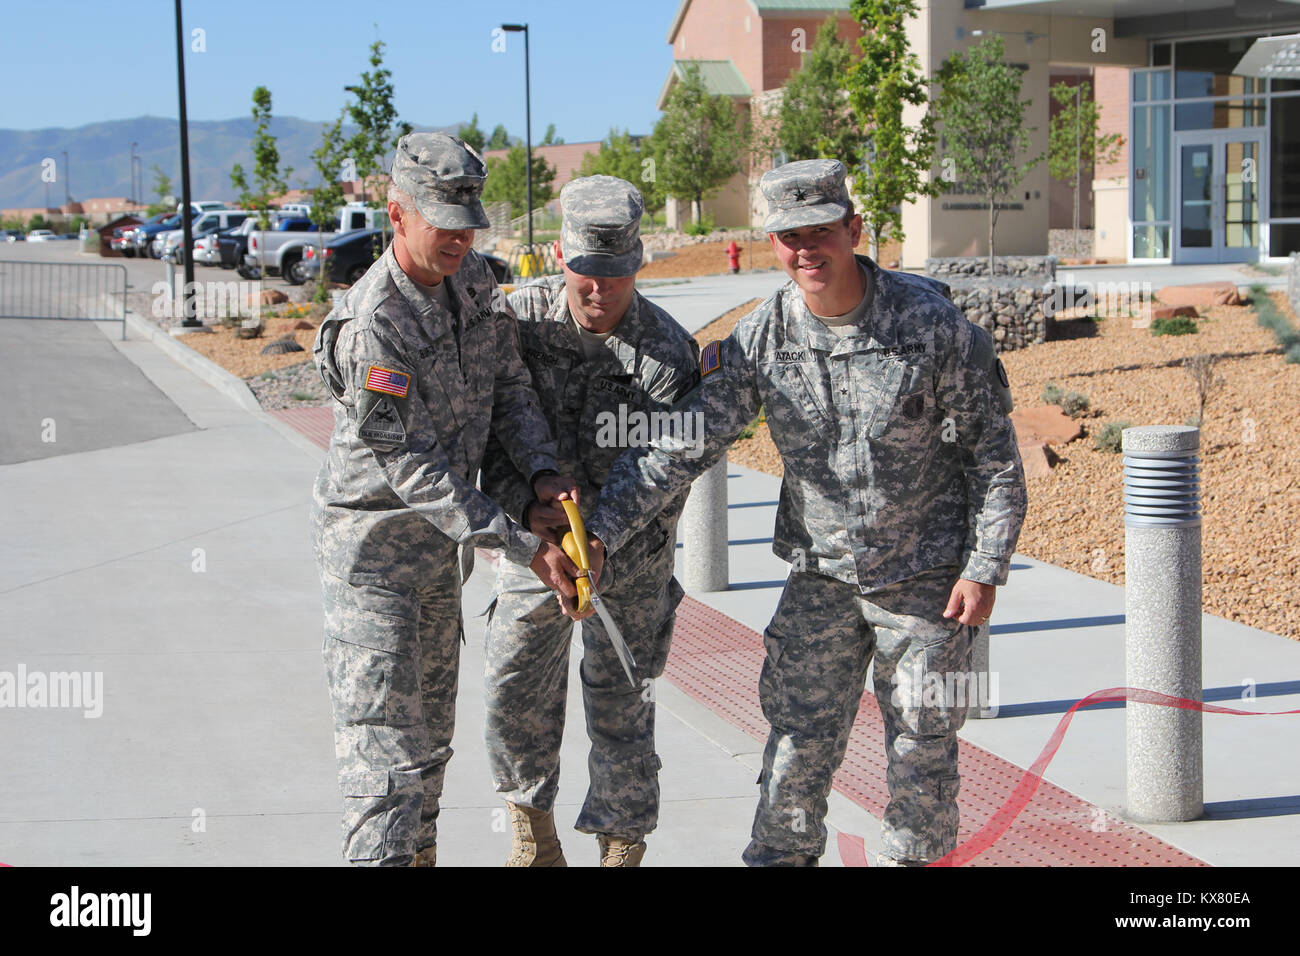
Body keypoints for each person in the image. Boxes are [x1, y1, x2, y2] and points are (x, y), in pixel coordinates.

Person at [582, 158, 1027, 866]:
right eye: (789, 238)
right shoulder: (762, 338)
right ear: (773, 245)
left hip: (925, 585)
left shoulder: (932, 327)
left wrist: (985, 567)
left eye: (820, 231)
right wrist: (600, 529)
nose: (805, 250)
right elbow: (685, 444)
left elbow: (995, 460)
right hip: (820, 582)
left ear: (853, 228)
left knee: (922, 759)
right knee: (793, 750)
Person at [310, 132, 582, 867]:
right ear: (395, 213)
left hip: (437, 566)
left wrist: (539, 476)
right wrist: (525, 544)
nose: (461, 237)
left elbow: (510, 390)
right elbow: (416, 470)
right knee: (384, 772)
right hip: (375, 570)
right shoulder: (374, 325)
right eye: (442, 221)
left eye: (468, 221)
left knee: (427, 756)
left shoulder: (473, 283)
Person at [480, 176, 701, 867]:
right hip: (535, 554)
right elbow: (485, 436)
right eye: (585, 273)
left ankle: (621, 845)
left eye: (615, 275)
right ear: (557, 254)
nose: (598, 292)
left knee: (623, 710)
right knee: (514, 690)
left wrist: (600, 539)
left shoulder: (667, 354)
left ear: (637, 264)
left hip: (629, 560)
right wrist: (526, 513)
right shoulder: (516, 326)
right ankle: (533, 835)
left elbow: (663, 469)